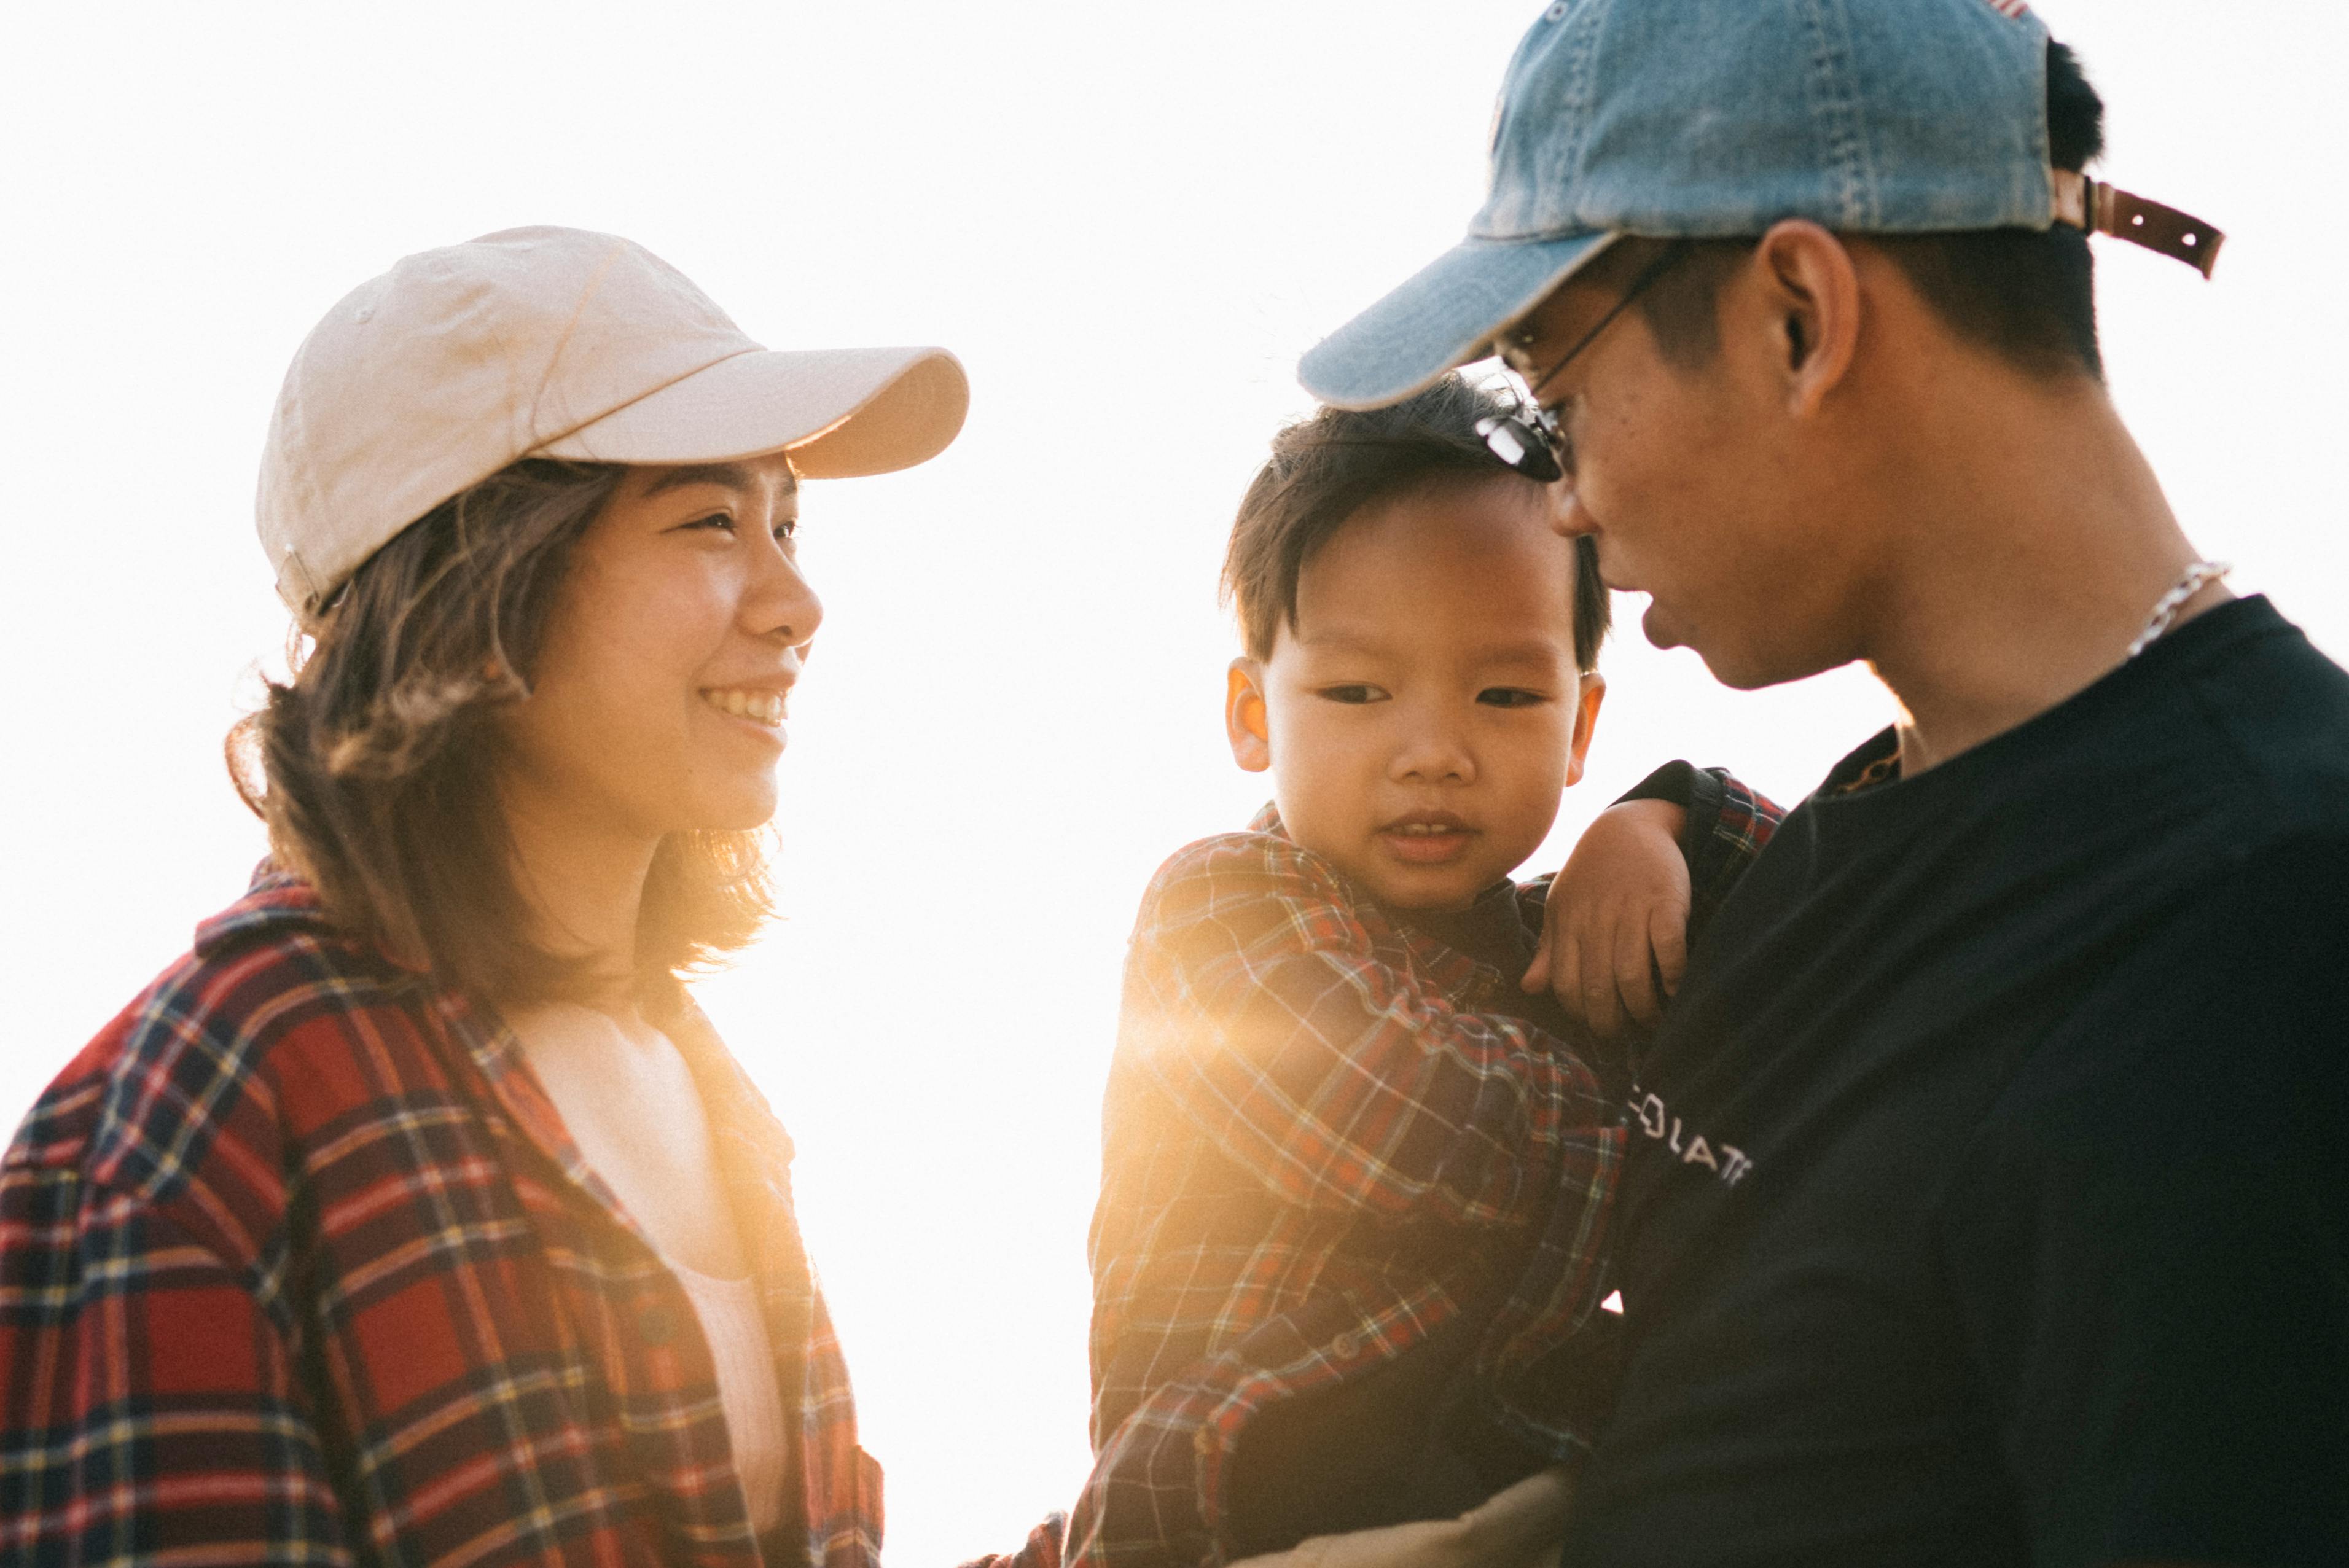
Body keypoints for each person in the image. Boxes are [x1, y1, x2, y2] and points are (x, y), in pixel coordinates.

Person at [1293, 3, 2349, 1565]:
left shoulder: (2261, 935)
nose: (1563, 498)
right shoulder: (1834, 842)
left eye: (1554, 383)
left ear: (1797, 314)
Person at [0, 227, 967, 1566]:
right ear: (479, 584)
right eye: (707, 522)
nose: (799, 600)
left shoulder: (703, 1076)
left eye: (786, 520)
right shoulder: (216, 1098)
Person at [980, 378, 1780, 1568]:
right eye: (1357, 692)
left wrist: (1669, 818)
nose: (1432, 753)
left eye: (1504, 694)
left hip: (1510, 1495)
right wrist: (1728, 1159)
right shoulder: (1223, 908)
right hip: (1236, 1515)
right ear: (1253, 711)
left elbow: (1832, 912)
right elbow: (1440, 1134)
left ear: (1577, 728)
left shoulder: (1558, 933)